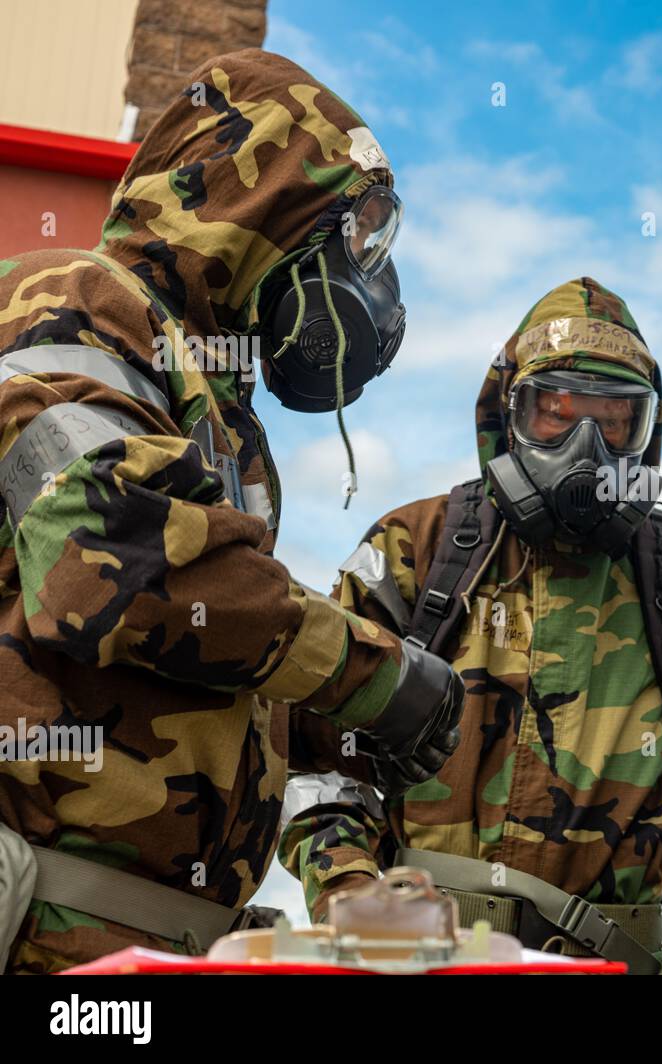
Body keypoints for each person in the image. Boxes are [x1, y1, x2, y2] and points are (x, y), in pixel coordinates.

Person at [0, 50, 462, 974]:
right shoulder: (75, 300)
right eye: (357, 232)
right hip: (48, 927)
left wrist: (344, 732)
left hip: (148, 936)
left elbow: (200, 653)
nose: (366, 273)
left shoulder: (213, 403)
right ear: (266, 206)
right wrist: (377, 675)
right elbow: (110, 561)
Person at [279, 277, 662, 974]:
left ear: (644, 435)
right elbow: (315, 750)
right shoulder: (413, 549)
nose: (585, 446)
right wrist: (353, 897)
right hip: (416, 960)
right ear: (508, 415)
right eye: (556, 412)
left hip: (611, 960)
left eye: (615, 421)